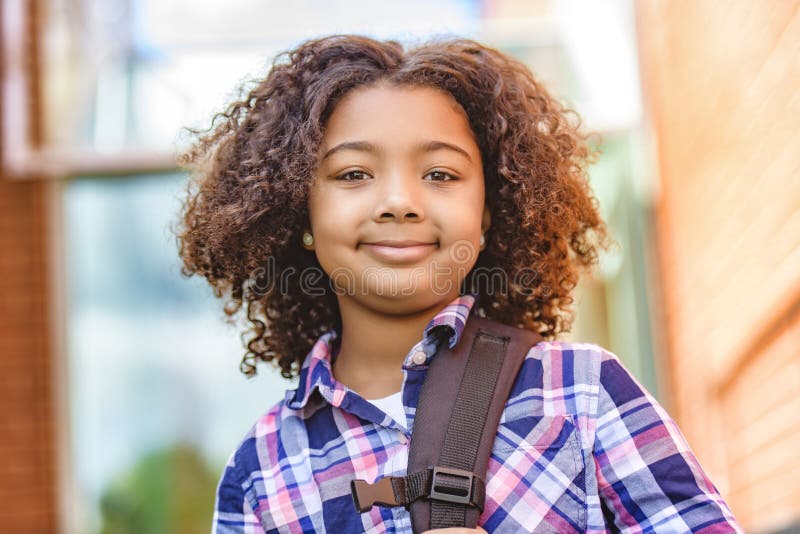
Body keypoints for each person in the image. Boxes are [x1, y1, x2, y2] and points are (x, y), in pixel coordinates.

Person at [176, 34, 742, 533]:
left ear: (488, 212)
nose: (400, 202)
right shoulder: (261, 469)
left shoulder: (582, 392)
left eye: (440, 174)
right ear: (298, 212)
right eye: (354, 174)